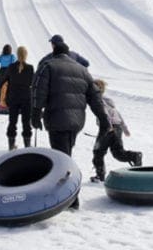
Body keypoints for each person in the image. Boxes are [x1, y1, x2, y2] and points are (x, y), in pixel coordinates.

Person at [31, 41, 110, 210]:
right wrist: (103, 118)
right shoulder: (82, 70)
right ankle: (69, 197)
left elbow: (38, 90)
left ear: (54, 52)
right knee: (66, 155)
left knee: (63, 160)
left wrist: (36, 113)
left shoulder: (48, 66)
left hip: (56, 120)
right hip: (76, 122)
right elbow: (95, 96)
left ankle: (72, 199)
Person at [90, 79, 142, 182]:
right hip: (117, 128)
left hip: (107, 127)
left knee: (98, 152)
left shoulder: (99, 101)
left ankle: (100, 176)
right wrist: (124, 129)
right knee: (118, 153)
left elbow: (105, 113)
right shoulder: (109, 102)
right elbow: (119, 115)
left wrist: (108, 126)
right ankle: (134, 156)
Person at [3, 46, 34, 150]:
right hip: (26, 97)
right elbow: (32, 82)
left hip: (13, 97)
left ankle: (11, 145)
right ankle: (27, 146)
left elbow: (5, 80)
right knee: (26, 122)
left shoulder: (11, 67)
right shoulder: (30, 68)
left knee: (12, 122)